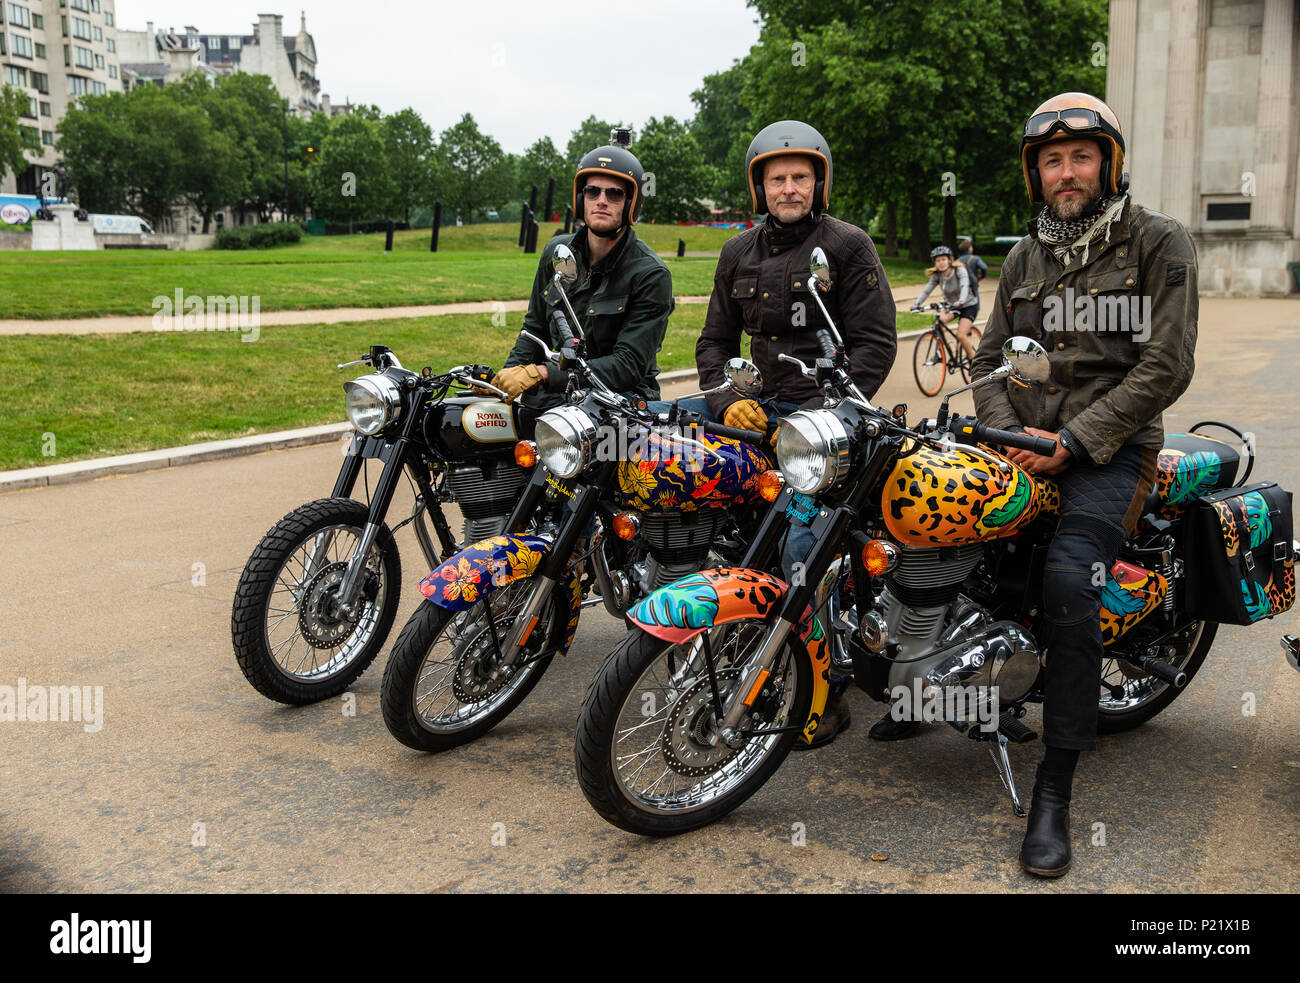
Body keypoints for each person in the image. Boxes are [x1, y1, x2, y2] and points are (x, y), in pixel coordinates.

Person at [967, 92, 1197, 877]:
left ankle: (1054, 789)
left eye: (1082, 156)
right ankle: (938, 691)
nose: (1067, 172)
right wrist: (1010, 431)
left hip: (1113, 453)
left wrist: (1074, 439)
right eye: (1053, 160)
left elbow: (1165, 365)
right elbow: (988, 358)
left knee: (1068, 580)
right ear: (1037, 173)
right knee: (924, 524)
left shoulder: (1160, 242)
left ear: (1109, 164)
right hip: (1024, 442)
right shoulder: (1025, 256)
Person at [692, 119, 899, 749]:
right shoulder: (737, 253)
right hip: (757, 409)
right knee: (665, 465)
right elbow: (714, 343)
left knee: (801, 547)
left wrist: (824, 413)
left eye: (800, 177)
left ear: (818, 182)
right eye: (777, 177)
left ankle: (822, 683)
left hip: (827, 419)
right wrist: (729, 398)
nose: (789, 188)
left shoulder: (849, 246)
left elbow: (876, 344)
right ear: (759, 186)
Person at [492, 139, 673, 411]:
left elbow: (628, 365)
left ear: (631, 204)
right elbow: (534, 328)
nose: (601, 201)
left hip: (617, 406)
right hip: (552, 400)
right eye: (592, 192)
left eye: (614, 194)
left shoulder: (650, 273)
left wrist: (542, 373)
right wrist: (502, 381)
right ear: (581, 198)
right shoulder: (557, 252)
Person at [912, 245, 978, 359]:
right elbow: (927, 290)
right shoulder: (937, 275)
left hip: (968, 305)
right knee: (940, 321)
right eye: (938, 260)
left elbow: (964, 285)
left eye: (943, 259)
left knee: (961, 335)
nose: (941, 262)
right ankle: (939, 352)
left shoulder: (959, 270)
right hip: (951, 305)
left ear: (949, 260)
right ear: (935, 263)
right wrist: (916, 304)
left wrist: (961, 300)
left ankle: (975, 362)